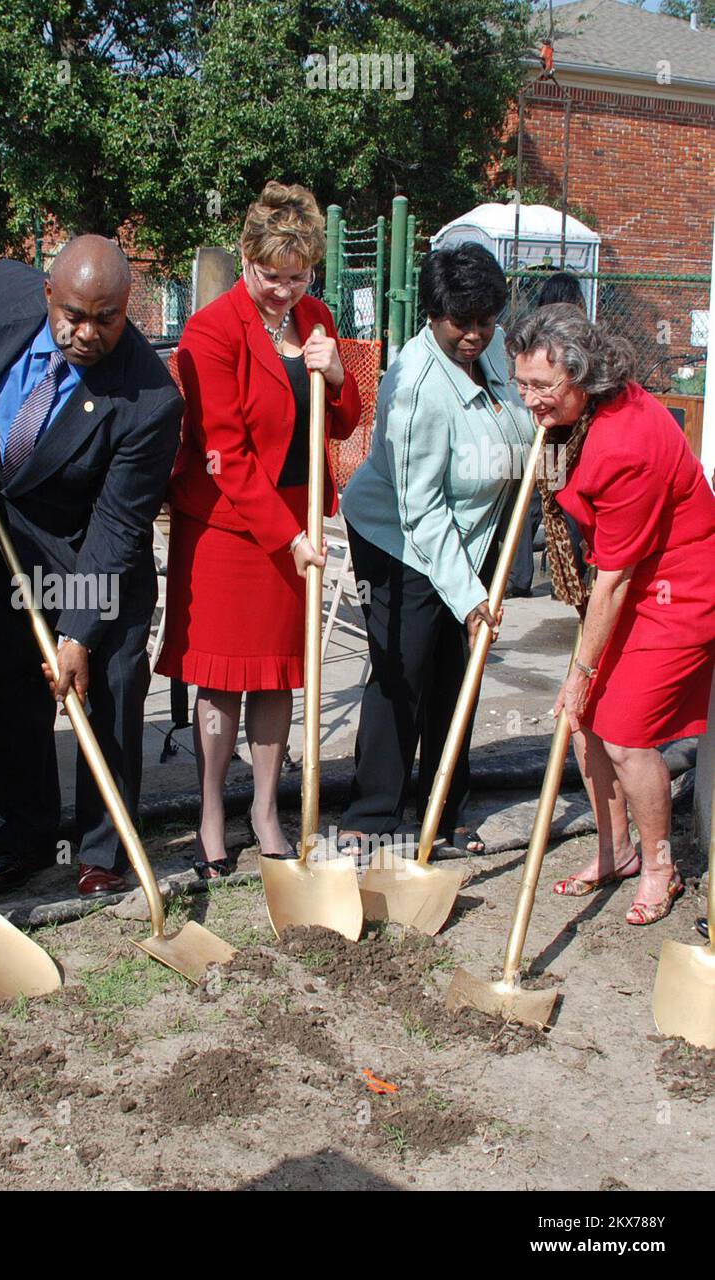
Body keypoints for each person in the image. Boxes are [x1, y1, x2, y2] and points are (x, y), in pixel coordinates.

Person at [0, 237, 183, 897]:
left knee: (110, 696)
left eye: (106, 318)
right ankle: (27, 837)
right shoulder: (0, 294)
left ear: (131, 311)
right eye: (73, 313)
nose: (85, 332)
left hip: (94, 555)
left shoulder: (150, 399)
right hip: (9, 541)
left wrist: (77, 635)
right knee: (8, 698)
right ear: (47, 295)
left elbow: (119, 524)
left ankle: (102, 849)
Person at [154, 182, 361, 877]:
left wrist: (337, 376)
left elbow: (343, 422)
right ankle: (212, 809)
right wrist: (289, 539)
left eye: (297, 278)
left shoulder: (317, 318)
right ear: (246, 257)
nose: (283, 291)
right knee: (222, 680)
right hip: (227, 526)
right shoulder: (210, 331)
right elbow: (225, 452)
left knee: (279, 675)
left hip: (296, 513)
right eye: (271, 276)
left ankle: (266, 809)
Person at [508, 304, 715, 925]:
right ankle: (614, 848)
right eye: (521, 384)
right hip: (626, 577)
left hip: (678, 587)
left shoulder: (628, 443)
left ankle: (660, 864)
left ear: (584, 374)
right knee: (583, 721)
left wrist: (581, 670)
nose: (530, 401)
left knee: (625, 734)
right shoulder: (580, 413)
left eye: (543, 388)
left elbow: (616, 578)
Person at [338, 242, 535, 857]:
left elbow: (520, 418)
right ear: (432, 314)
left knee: (460, 673)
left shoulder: (494, 346)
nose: (476, 334)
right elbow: (420, 510)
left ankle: (444, 811)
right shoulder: (417, 388)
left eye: (486, 320)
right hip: (399, 537)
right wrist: (469, 598)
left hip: (471, 532)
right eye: (462, 323)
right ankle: (370, 817)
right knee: (408, 666)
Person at [509, 271, 588, 598]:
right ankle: (569, 580)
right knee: (567, 503)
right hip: (567, 431)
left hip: (541, 428)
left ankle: (518, 577)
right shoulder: (577, 334)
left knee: (529, 503)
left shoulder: (534, 333)